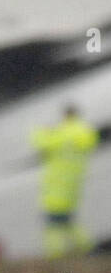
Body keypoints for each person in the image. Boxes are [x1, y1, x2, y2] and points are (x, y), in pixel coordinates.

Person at [31, 105, 98, 258]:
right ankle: (87, 246)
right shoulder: (84, 131)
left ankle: (55, 255)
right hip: (74, 180)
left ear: (65, 115)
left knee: (53, 219)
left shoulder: (63, 132)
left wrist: (41, 131)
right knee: (66, 217)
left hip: (57, 181)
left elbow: (42, 144)